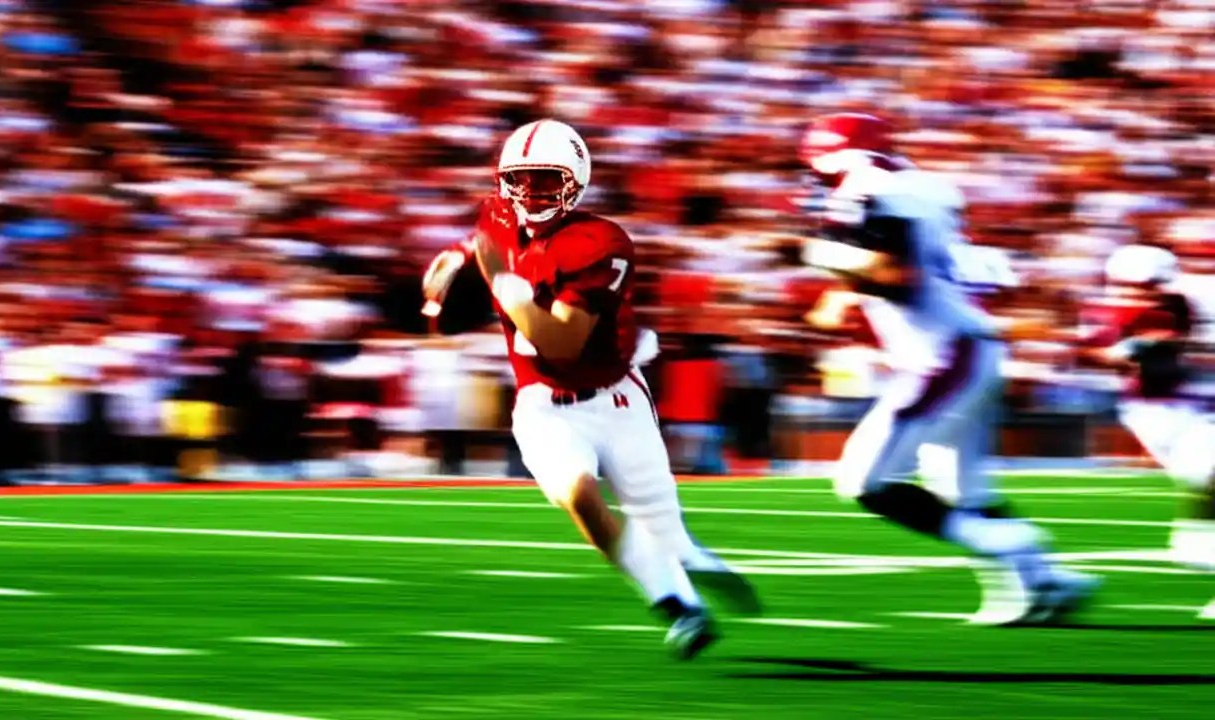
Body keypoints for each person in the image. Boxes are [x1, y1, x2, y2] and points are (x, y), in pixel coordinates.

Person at [422, 119, 759, 659]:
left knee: (665, 533)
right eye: (521, 179)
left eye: (544, 180)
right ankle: (679, 607)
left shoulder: (600, 242)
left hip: (615, 397)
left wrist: (500, 281)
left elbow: (560, 341)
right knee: (580, 496)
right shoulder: (498, 216)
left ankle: (694, 561)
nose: (529, 192)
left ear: (575, 180)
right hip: (542, 406)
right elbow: (484, 244)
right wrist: (456, 263)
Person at [799, 112, 1096, 625]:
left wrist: (818, 254)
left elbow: (896, 273)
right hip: (968, 345)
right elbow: (919, 263)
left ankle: (1012, 542)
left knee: (863, 479)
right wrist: (846, 288)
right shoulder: (923, 187)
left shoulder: (862, 188)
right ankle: (1043, 583)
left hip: (941, 355)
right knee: (964, 490)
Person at [1079, 243, 1213, 619]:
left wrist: (1134, 347)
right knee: (1204, 480)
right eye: (1148, 284)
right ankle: (1195, 544)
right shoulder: (1106, 310)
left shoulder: (1173, 306)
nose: (1155, 290)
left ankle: (1195, 543)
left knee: (1209, 478)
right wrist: (1119, 351)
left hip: (1186, 407)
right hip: (1151, 413)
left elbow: (1166, 340)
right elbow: (1092, 354)